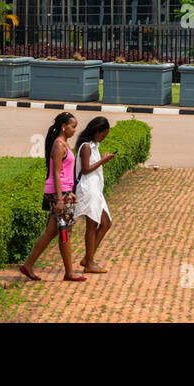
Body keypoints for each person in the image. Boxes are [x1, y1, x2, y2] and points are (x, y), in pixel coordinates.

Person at [20, 111, 85, 282]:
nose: (74, 130)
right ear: (64, 126)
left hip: (63, 191)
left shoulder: (63, 143)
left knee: (51, 231)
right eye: (73, 126)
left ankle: (28, 265)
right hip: (58, 192)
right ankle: (69, 272)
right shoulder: (59, 145)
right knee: (65, 231)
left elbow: (64, 173)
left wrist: (69, 192)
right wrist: (61, 199)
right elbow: (56, 174)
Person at [74, 116, 116, 274]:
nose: (103, 138)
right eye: (103, 135)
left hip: (96, 190)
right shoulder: (86, 147)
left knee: (106, 223)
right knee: (91, 227)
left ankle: (88, 257)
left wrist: (102, 158)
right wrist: (103, 161)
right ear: (96, 131)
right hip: (88, 189)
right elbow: (85, 169)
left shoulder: (94, 145)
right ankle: (89, 263)